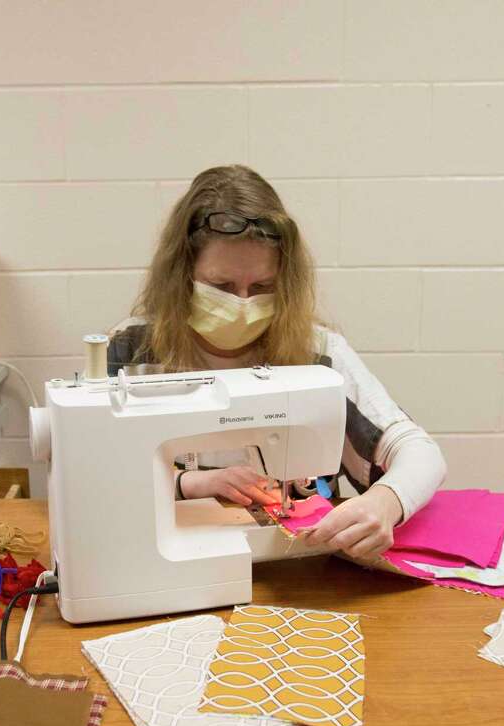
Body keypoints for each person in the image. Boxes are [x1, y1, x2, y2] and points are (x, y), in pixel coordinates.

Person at [107, 165, 446, 564]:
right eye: (221, 287)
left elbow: (420, 453)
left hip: (298, 569)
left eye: (263, 287)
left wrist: (386, 501)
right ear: (182, 276)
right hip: (168, 563)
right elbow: (107, 476)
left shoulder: (317, 353)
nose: (243, 302)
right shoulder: (133, 350)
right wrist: (192, 483)